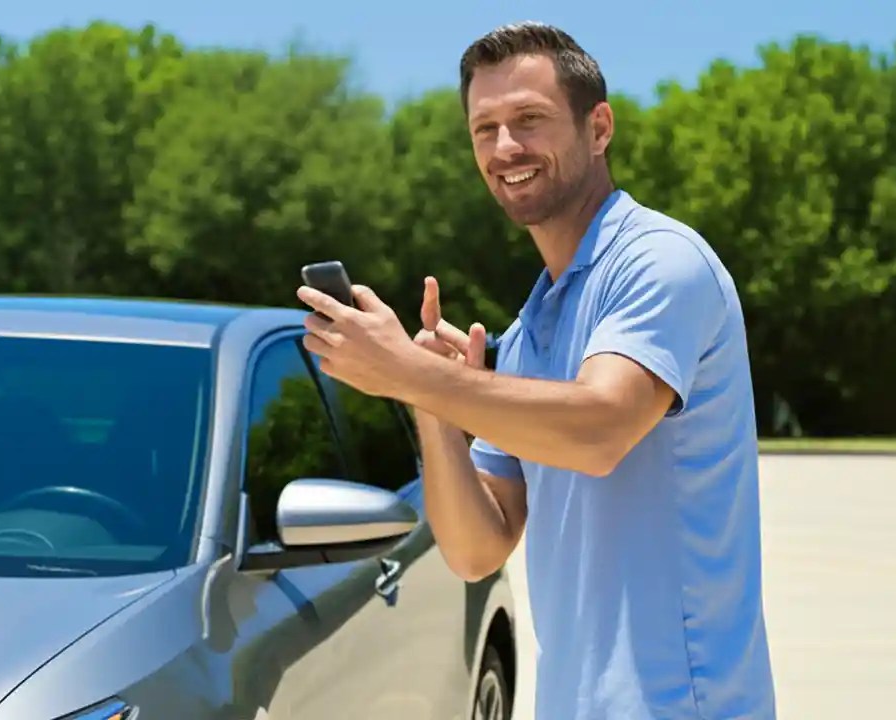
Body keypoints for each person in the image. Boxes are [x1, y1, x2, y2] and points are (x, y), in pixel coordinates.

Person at [296, 20, 776, 720]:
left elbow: (600, 429)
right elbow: (474, 548)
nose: (505, 148)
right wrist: (431, 403)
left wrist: (408, 372)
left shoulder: (660, 263)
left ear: (600, 127)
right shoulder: (527, 333)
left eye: (529, 119)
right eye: (484, 128)